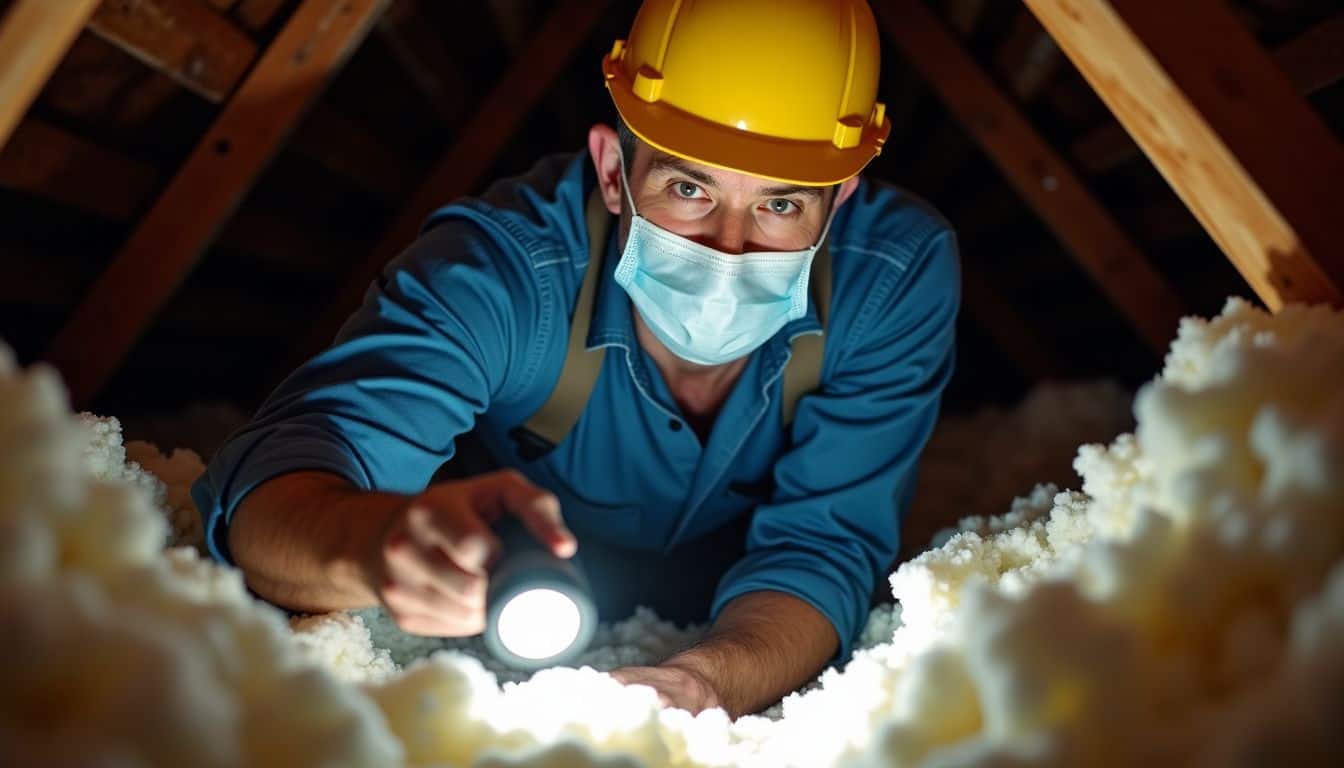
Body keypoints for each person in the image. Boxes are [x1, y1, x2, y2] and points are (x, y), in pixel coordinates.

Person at [192, 0, 959, 718]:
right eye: (689, 186)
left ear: (843, 196)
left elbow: (823, 546)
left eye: (780, 204)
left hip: (734, 588)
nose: (730, 247)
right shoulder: (502, 277)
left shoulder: (890, 279)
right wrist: (373, 547)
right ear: (613, 173)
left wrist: (702, 682)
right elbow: (274, 494)